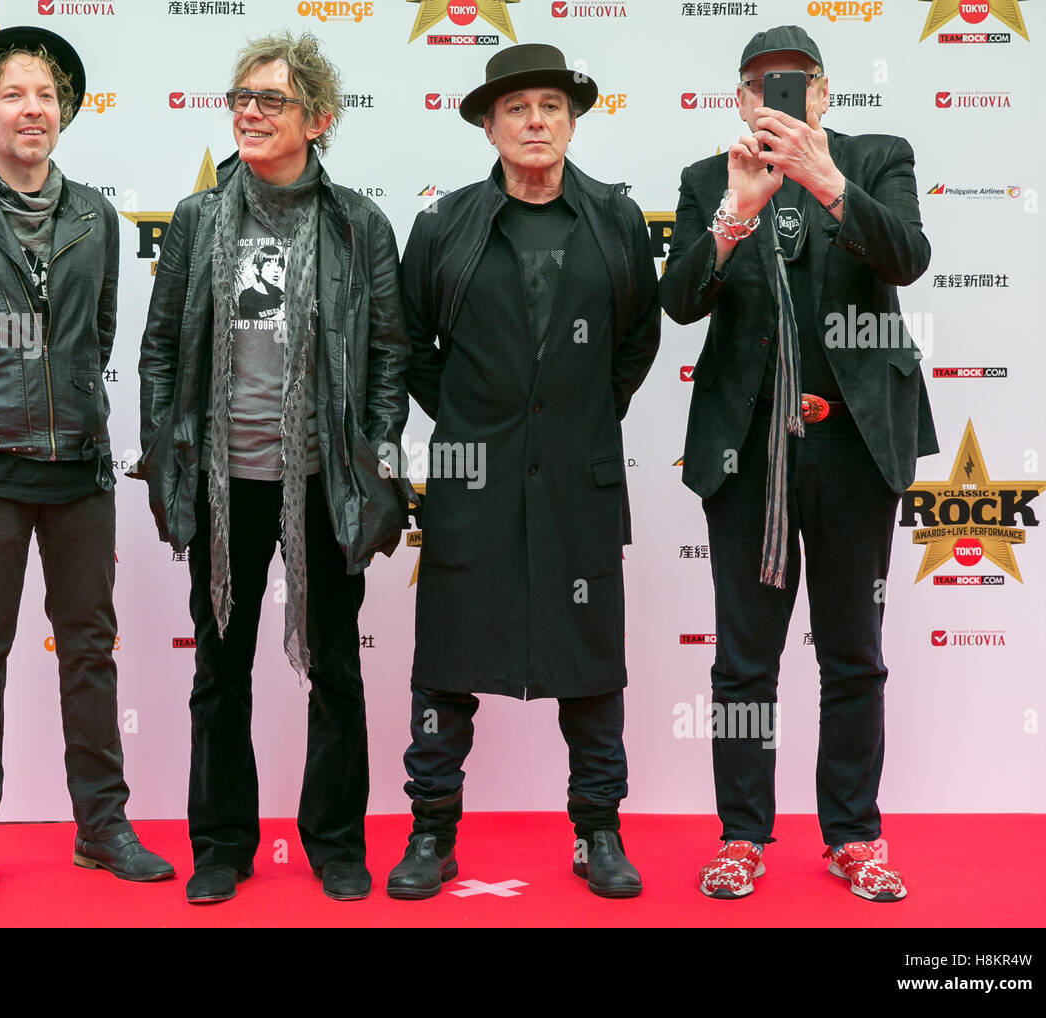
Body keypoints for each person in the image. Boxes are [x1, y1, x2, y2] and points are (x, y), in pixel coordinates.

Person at [0, 26, 173, 900]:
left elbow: (97, 337)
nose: (32, 110)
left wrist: (62, 417)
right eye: (14, 95)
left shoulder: (97, 215)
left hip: (80, 474)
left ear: (64, 112)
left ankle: (103, 824)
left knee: (89, 650)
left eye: (45, 96)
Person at [132, 30, 412, 905]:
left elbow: (389, 357)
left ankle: (334, 842)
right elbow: (161, 349)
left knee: (335, 665)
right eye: (242, 99)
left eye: (272, 100)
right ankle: (220, 844)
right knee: (220, 670)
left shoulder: (358, 223)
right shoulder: (197, 218)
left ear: (318, 120)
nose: (250, 113)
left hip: (325, 482)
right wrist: (172, 459)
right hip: (225, 484)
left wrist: (373, 458)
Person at [659, 25, 936, 902]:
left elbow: (909, 258)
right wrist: (736, 211)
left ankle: (852, 835)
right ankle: (743, 835)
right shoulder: (711, 176)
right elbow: (679, 301)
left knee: (852, 652)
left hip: (855, 443)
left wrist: (825, 179)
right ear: (740, 99)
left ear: (823, 94)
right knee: (744, 661)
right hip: (749, 455)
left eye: (795, 84)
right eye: (759, 86)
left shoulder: (878, 157)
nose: (777, 97)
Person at [388, 44, 661, 900]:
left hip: (579, 481)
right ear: (488, 126)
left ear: (573, 121)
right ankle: (431, 833)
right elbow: (412, 349)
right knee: (445, 665)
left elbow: (635, 344)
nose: (535, 121)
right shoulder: (445, 226)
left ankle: (598, 832)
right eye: (517, 109)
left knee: (591, 667)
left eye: (550, 106)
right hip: (475, 481)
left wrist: (572, 418)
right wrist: (478, 423)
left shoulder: (616, 219)